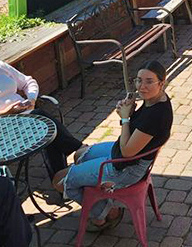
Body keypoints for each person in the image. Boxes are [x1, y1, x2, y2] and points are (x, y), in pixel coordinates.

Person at [53, 59, 173, 231]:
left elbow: (127, 151)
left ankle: (104, 213)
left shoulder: (156, 115)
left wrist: (125, 118)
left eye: (149, 81)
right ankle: (100, 193)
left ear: (161, 83)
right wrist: (130, 112)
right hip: (125, 154)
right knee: (79, 155)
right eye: (139, 80)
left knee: (59, 181)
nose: (142, 86)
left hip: (127, 168)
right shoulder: (157, 98)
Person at [0, 32, 81, 178]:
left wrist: (31, 99)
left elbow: (28, 82)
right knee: (45, 124)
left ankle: (62, 178)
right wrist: (1, 113)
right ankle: (79, 152)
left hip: (22, 117)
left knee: (49, 131)